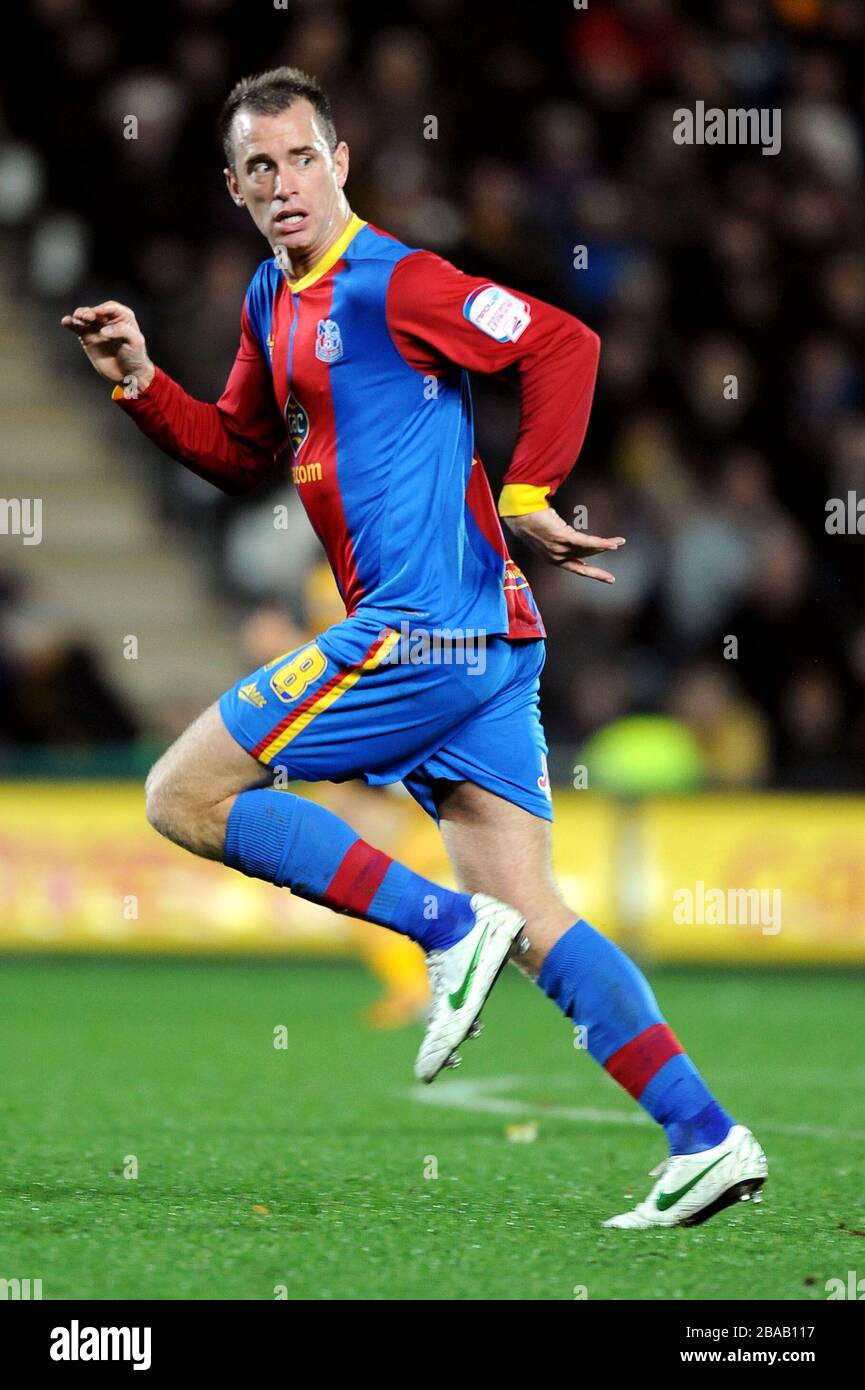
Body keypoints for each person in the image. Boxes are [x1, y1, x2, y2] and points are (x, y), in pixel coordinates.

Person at [61, 66, 766, 1229]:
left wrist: (529, 483)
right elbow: (243, 452)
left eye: (300, 158)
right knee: (534, 911)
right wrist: (141, 385)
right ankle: (705, 1136)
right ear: (234, 190)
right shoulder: (266, 301)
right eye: (258, 169)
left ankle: (442, 928)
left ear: (341, 162)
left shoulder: (399, 281)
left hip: (425, 626)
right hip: (484, 641)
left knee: (183, 792)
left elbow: (562, 345)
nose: (283, 184)